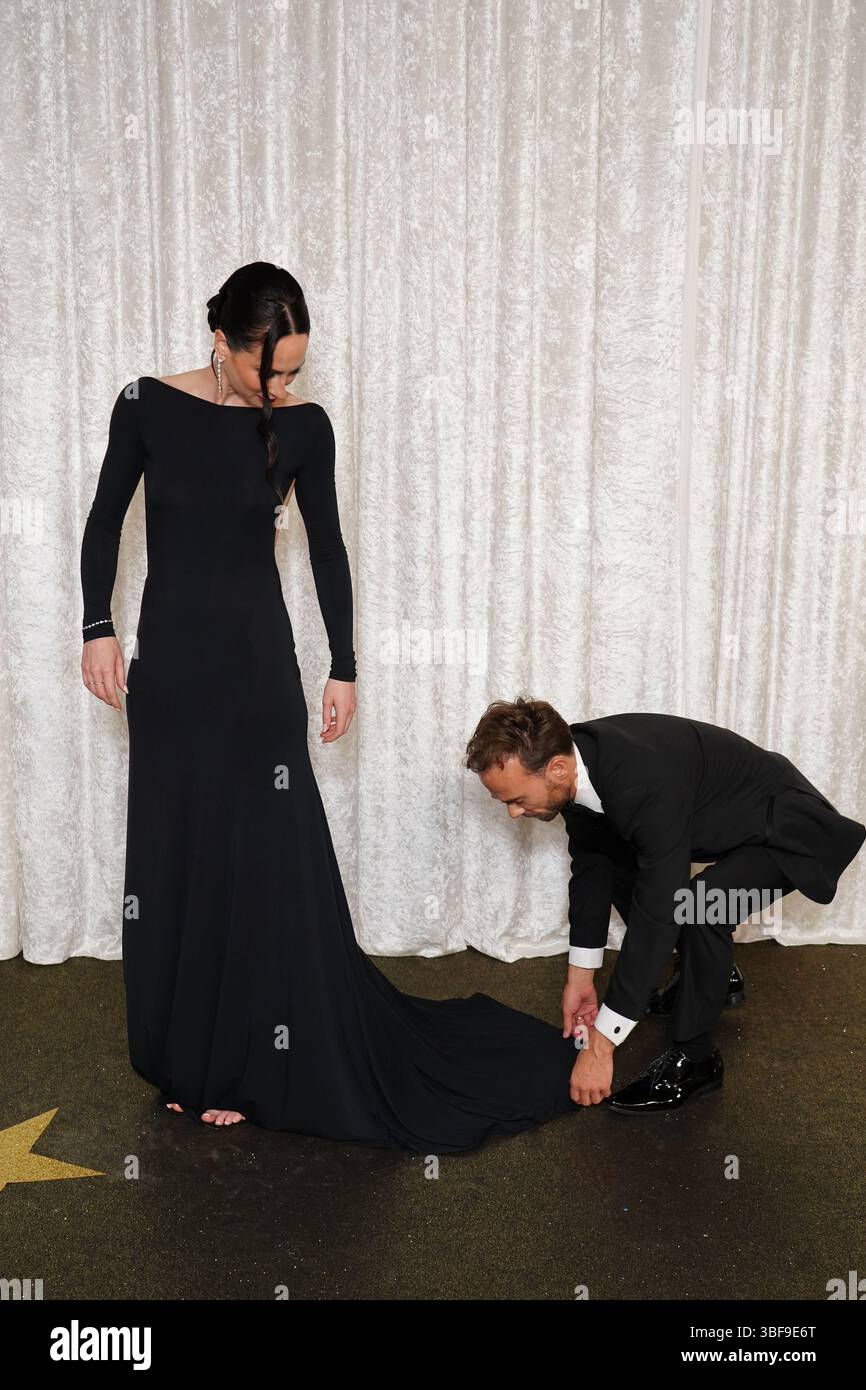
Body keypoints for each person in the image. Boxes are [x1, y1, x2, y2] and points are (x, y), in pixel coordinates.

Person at [79, 262, 580, 1152]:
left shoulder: (304, 429)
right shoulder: (143, 404)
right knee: (179, 856)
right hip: (175, 678)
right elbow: (103, 520)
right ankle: (187, 1064)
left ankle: (249, 1064)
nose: (284, 386)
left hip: (258, 675)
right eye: (268, 370)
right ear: (222, 344)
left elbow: (329, 550)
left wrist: (344, 663)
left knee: (262, 866)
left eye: (295, 371)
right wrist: (97, 627)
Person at [465, 699, 865, 1112]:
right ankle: (714, 976)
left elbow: (661, 911)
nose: (514, 813)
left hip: (786, 830)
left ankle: (697, 1059)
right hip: (732, 821)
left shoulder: (641, 781)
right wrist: (580, 979)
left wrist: (601, 1046)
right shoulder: (574, 762)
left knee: (701, 908)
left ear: (557, 770)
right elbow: (591, 871)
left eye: (514, 799)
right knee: (620, 868)